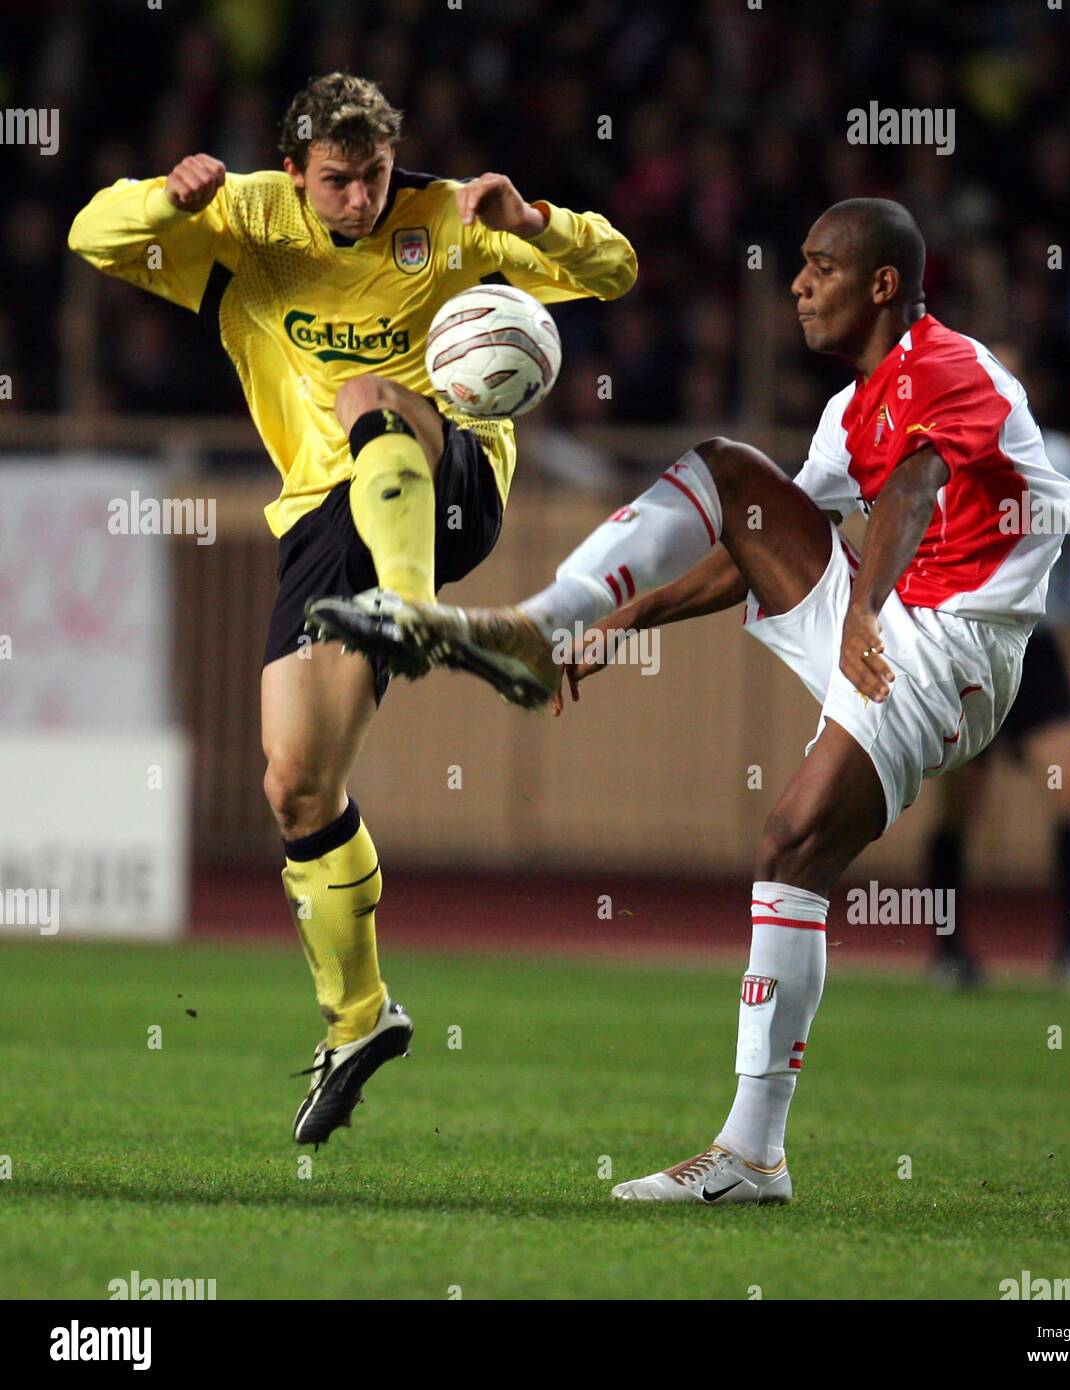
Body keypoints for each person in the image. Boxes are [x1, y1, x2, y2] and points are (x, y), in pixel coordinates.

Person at [350, 197, 1070, 1204]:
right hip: (889, 619)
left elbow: (914, 485)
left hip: (952, 643)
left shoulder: (945, 364)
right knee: (731, 471)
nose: (797, 283)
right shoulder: (848, 407)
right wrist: (623, 623)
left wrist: (864, 610)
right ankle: (552, 616)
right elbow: (752, 544)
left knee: (789, 840)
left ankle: (750, 1154)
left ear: (881, 285)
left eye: (821, 266)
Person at [68, 71, 637, 1146]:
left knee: (368, 396)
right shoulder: (242, 215)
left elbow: (615, 268)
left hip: (451, 479)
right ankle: (359, 1017)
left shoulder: (449, 219)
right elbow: (93, 236)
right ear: (293, 172)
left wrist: (536, 221)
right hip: (320, 522)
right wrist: (166, 199)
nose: (360, 199)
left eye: (374, 174)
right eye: (337, 180)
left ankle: (416, 613)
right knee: (295, 783)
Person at [926, 343, 1070, 993]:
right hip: (971, 644)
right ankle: (948, 951)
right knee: (959, 808)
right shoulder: (945, 455)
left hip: (1039, 645)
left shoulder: (1060, 460)